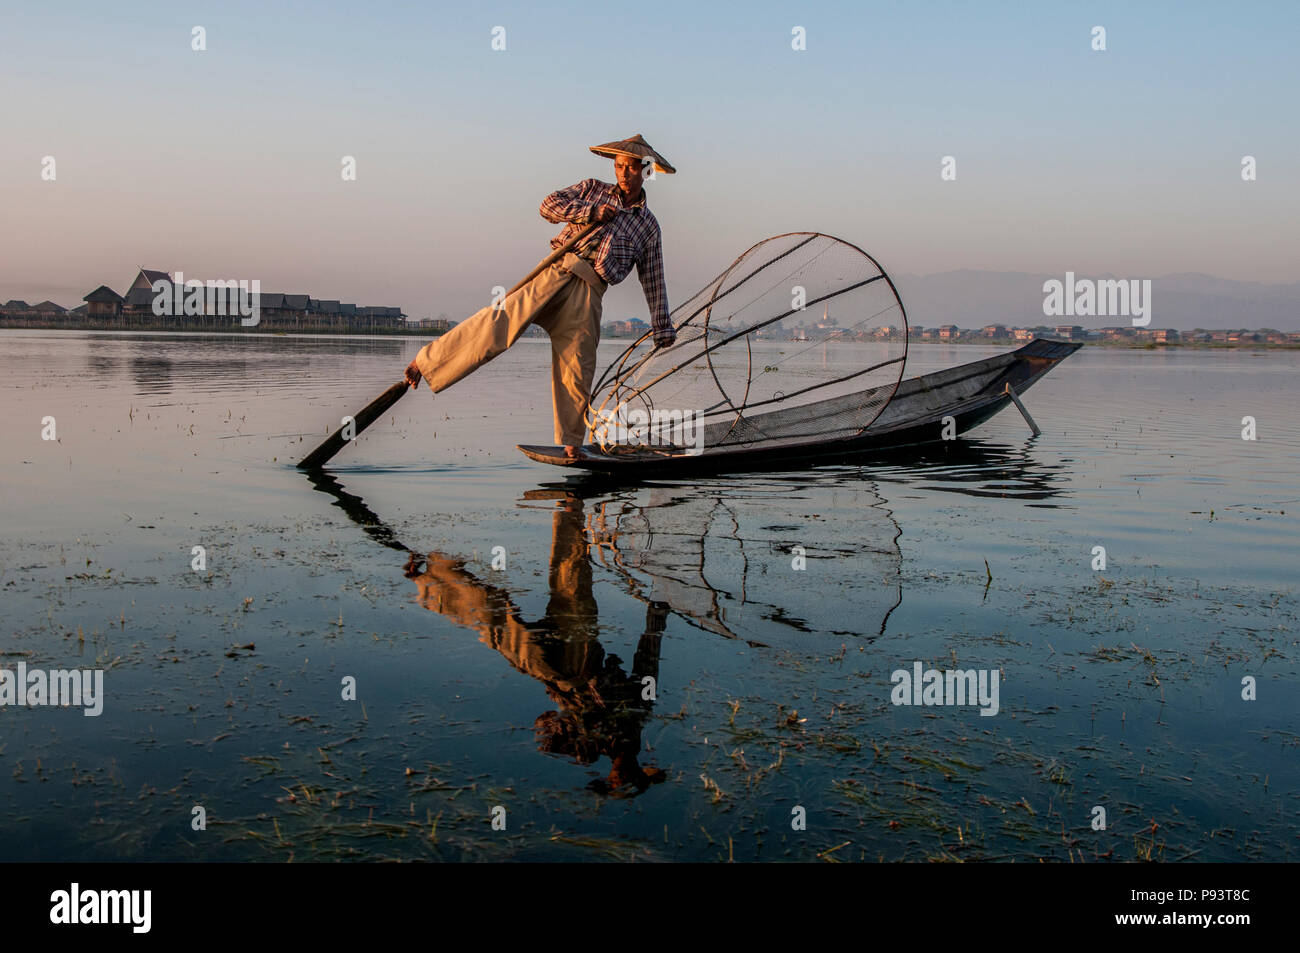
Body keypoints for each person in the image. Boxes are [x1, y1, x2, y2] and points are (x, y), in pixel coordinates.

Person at [404, 134, 676, 458]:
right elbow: (547, 206)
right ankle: (425, 362)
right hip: (555, 272)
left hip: (589, 292)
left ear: (646, 172)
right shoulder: (593, 189)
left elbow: (653, 279)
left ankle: (572, 445)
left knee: (576, 369)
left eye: (631, 168)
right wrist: (590, 212)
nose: (623, 174)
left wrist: (662, 327)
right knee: (496, 324)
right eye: (619, 166)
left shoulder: (648, 226)